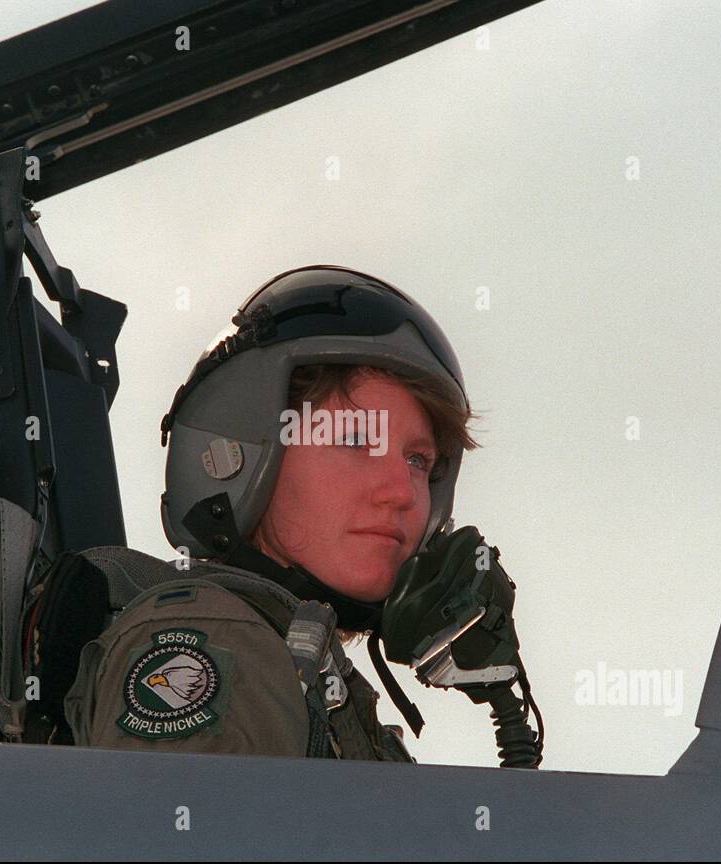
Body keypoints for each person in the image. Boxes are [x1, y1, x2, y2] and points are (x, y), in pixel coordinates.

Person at [60, 265, 491, 762]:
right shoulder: (219, 642)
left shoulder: (304, 668)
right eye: (354, 440)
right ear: (238, 455)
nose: (402, 493)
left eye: (418, 461)